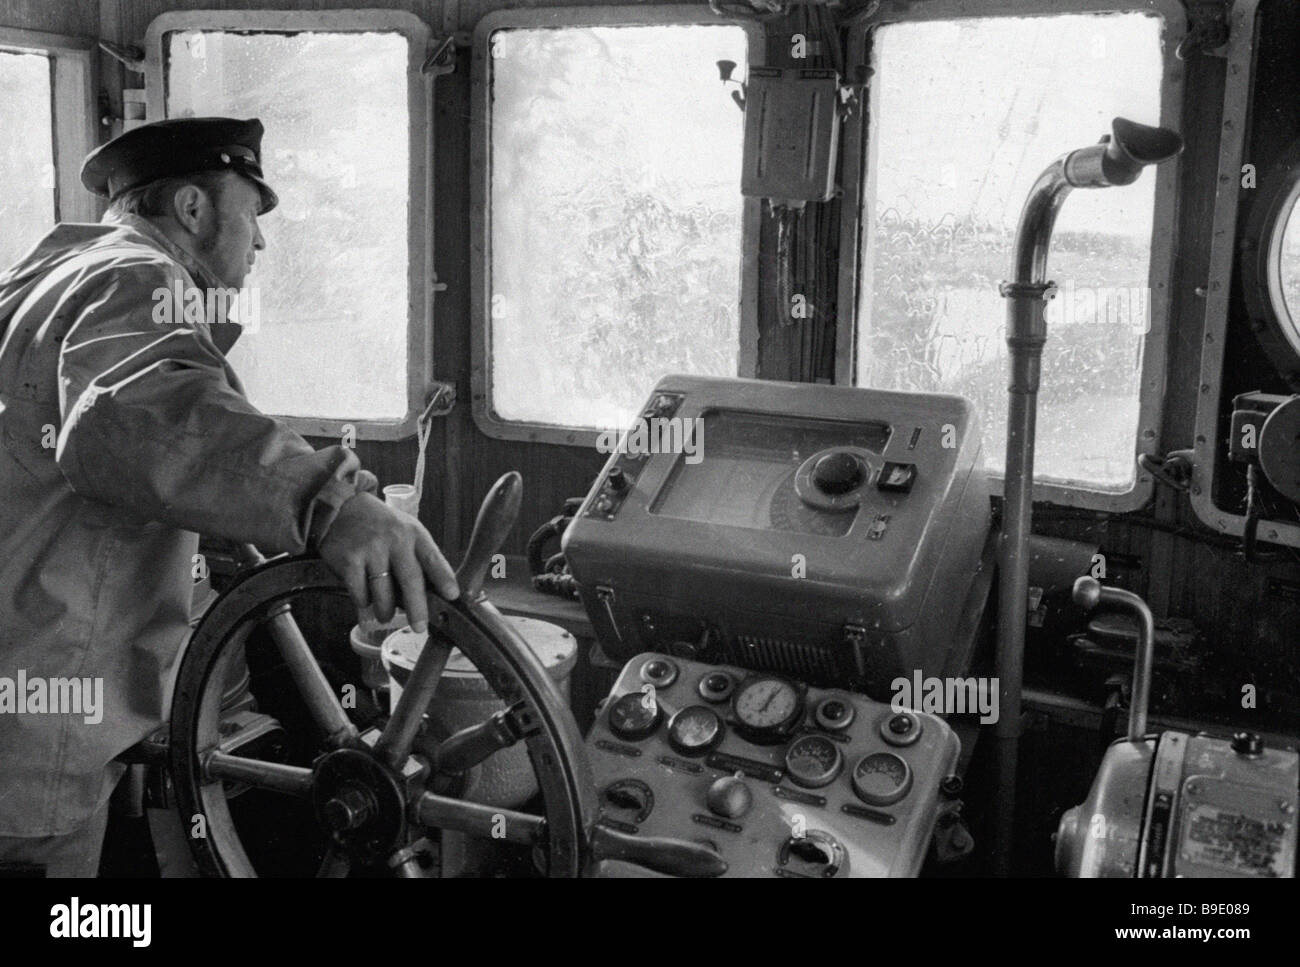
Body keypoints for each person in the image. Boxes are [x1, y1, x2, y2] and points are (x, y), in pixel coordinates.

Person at [0, 117, 458, 876]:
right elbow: (135, 416)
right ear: (190, 208)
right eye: (252, 213)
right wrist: (328, 502)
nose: (262, 242)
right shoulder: (139, 280)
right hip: (30, 732)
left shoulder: (43, 278)